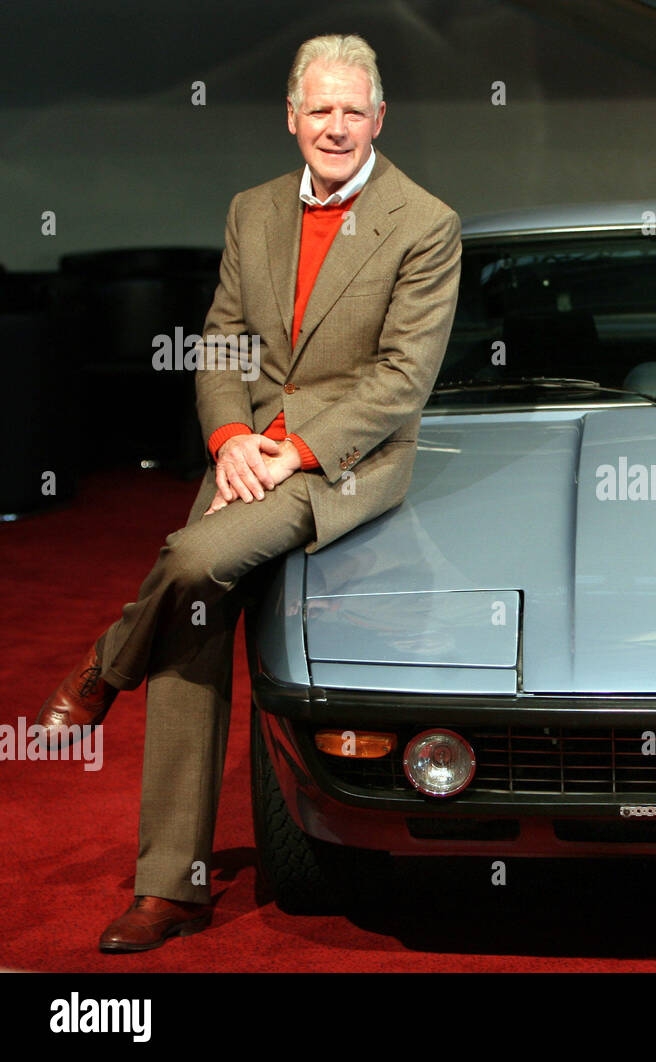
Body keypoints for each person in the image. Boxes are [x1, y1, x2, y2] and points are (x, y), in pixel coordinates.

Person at [36, 33, 462, 952]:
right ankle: (173, 886)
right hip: (245, 454)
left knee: (192, 557)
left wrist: (292, 451)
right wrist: (230, 436)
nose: (337, 127)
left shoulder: (425, 223)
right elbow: (221, 342)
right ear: (292, 117)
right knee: (195, 616)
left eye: (355, 111)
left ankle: (104, 668)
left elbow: (401, 381)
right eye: (321, 110)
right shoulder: (252, 210)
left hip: (344, 464)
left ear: (379, 119)